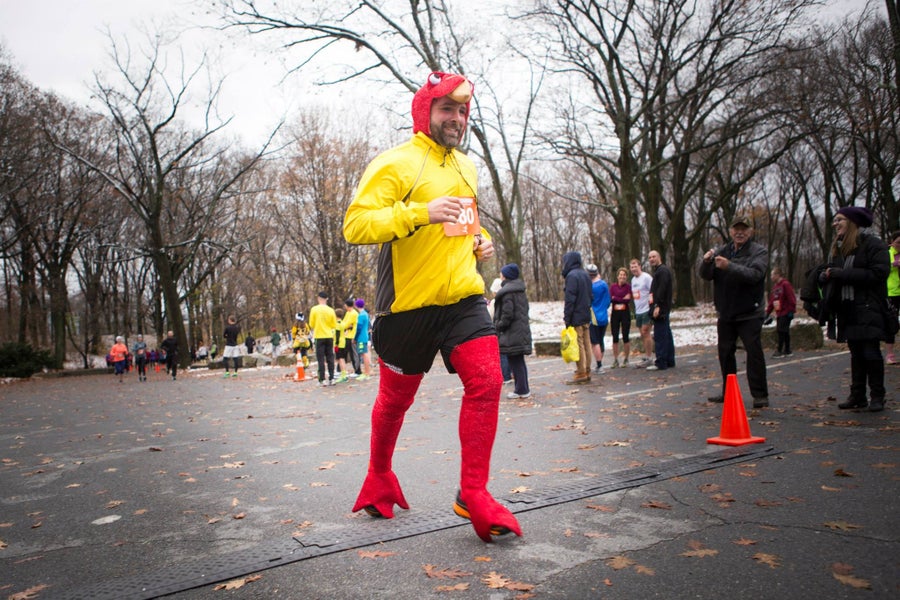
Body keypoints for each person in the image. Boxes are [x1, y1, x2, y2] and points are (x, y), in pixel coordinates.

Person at [343, 71, 521, 542]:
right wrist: (418, 212)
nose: (457, 119)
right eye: (448, 109)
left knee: (487, 382)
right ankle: (379, 474)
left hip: (463, 300)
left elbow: (463, 227)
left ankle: (473, 492)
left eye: (463, 111)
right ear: (426, 111)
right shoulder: (396, 163)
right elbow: (356, 226)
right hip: (407, 310)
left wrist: (480, 242)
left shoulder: (467, 167)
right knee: (394, 403)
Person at [820, 207, 893, 412]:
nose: (835, 224)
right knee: (855, 353)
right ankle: (858, 394)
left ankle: (877, 395)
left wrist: (842, 274)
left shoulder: (873, 244)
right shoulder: (841, 247)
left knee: (870, 352)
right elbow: (835, 272)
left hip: (869, 306)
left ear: (853, 222)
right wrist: (825, 276)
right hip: (847, 308)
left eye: (839, 220)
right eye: (834, 220)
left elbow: (879, 274)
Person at [700, 216, 768, 407]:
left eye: (744, 229)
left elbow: (755, 275)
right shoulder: (723, 250)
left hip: (750, 312)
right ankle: (728, 392)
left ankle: (760, 395)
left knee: (754, 353)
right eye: (736, 229)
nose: (740, 233)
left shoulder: (759, 252)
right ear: (730, 231)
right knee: (725, 353)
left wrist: (730, 266)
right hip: (726, 313)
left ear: (750, 231)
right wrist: (706, 263)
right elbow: (705, 276)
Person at [493, 263, 533, 399]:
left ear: (505, 275)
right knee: (518, 361)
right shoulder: (519, 290)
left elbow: (507, 314)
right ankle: (523, 387)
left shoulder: (507, 292)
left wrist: (499, 325)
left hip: (512, 333)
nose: (500, 275)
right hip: (520, 331)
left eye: (501, 273)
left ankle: (521, 389)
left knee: (515, 361)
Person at [562, 251, 594, 384]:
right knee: (587, 344)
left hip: (576, 315)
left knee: (579, 344)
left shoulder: (571, 276)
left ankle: (581, 372)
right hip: (586, 313)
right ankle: (587, 369)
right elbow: (591, 295)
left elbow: (570, 299)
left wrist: (567, 317)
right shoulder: (585, 274)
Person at [647, 250, 675, 371]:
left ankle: (661, 361)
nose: (651, 259)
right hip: (662, 307)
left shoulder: (662, 271)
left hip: (661, 308)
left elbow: (662, 289)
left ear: (659, 257)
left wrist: (657, 305)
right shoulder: (659, 271)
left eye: (654, 256)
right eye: (649, 257)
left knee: (660, 335)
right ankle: (669, 360)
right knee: (666, 334)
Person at [765, 267, 797, 358]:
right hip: (779, 312)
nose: (771, 277)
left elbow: (791, 298)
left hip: (786, 312)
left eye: (772, 275)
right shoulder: (775, 287)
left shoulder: (785, 285)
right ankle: (787, 350)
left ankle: (779, 350)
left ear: (777, 275)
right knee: (784, 331)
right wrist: (767, 313)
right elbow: (772, 301)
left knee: (781, 330)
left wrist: (791, 310)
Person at [629, 258, 654, 366]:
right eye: (632, 267)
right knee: (642, 334)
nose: (634, 269)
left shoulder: (647, 277)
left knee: (646, 332)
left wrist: (652, 305)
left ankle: (649, 357)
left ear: (640, 266)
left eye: (635, 266)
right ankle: (647, 355)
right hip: (638, 311)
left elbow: (653, 291)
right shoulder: (633, 280)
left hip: (647, 310)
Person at [309, 291, 337, 385]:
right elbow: (334, 324)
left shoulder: (314, 309)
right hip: (329, 336)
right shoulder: (331, 310)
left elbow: (311, 324)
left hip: (319, 336)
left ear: (318, 298)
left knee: (320, 358)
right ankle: (332, 378)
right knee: (330, 357)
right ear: (326, 299)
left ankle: (322, 379)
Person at [586, 263, 610, 373]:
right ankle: (600, 363)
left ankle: (599, 365)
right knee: (600, 340)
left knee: (595, 342)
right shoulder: (604, 285)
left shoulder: (590, 287)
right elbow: (608, 301)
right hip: (604, 316)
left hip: (593, 317)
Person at [609, 267, 632, 368]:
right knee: (615, 337)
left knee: (625, 336)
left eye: (624, 275)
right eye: (620, 275)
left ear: (626, 277)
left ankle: (626, 359)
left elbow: (628, 299)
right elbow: (611, 298)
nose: (622, 277)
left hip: (625, 313)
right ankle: (615, 359)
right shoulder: (613, 287)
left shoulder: (628, 287)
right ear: (617, 276)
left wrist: (617, 298)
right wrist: (621, 298)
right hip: (615, 314)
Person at [884, 231, 900, 365]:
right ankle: (890, 354)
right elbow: (880, 268)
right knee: (891, 323)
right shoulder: (887, 253)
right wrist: (894, 264)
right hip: (892, 293)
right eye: (898, 242)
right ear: (892, 242)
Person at [342, 298, 361, 377]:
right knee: (346, 353)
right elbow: (344, 323)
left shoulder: (354, 313)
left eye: (345, 304)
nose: (344, 306)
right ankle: (343, 370)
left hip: (352, 336)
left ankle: (357, 371)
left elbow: (347, 324)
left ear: (347, 305)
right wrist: (345, 326)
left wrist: (346, 326)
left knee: (354, 354)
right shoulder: (348, 313)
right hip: (347, 335)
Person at [354, 299, 372, 379]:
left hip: (361, 338)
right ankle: (367, 372)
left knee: (364, 355)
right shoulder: (366, 314)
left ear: (356, 306)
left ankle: (366, 373)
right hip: (365, 336)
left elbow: (358, 328)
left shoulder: (361, 315)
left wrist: (355, 338)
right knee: (365, 354)